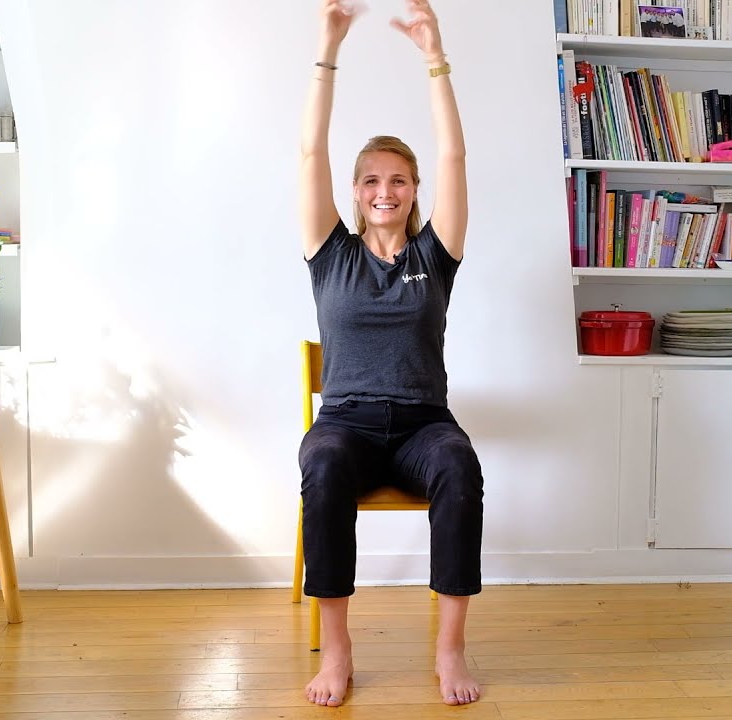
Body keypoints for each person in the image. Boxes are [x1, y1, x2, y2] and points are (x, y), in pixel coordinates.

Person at [297, 0, 481, 708]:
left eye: (398, 180)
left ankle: (450, 647)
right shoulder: (329, 252)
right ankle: (337, 649)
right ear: (354, 192)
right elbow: (309, 150)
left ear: (413, 193)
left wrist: (435, 59)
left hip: (421, 424)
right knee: (321, 464)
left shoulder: (437, 255)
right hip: (344, 417)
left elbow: (454, 154)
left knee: (460, 467)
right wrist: (328, 46)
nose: (384, 190)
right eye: (371, 180)